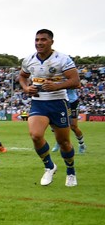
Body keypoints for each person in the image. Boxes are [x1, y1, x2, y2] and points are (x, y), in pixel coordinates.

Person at [18, 28, 80, 187]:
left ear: (51, 42)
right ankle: (49, 166)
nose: (39, 43)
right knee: (35, 135)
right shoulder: (29, 59)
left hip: (59, 103)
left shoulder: (62, 59)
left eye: (43, 40)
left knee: (64, 142)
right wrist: (26, 88)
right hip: (39, 103)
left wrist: (57, 86)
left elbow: (75, 81)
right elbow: (22, 76)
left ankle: (71, 171)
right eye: (37, 40)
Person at [67, 86, 86, 154]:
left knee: (73, 126)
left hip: (72, 103)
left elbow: (77, 85)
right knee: (57, 125)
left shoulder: (69, 76)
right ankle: (59, 142)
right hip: (60, 103)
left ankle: (81, 144)